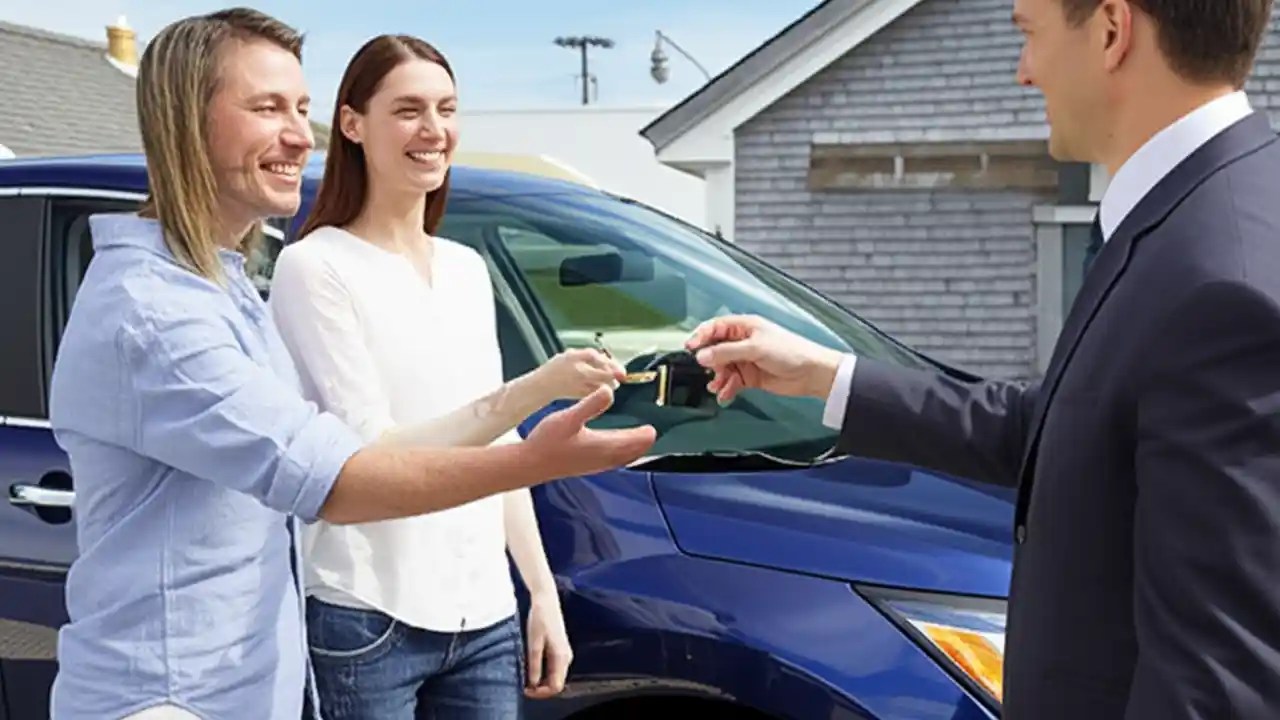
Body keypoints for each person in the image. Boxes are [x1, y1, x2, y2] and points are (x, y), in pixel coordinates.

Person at [45, 9, 654, 720]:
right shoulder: (158, 316)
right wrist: (535, 456)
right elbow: (340, 478)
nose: (301, 135)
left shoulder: (226, 287)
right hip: (174, 701)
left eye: (301, 109)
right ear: (186, 121)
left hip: (255, 688)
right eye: (267, 107)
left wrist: (535, 579)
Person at [685, 0, 1280, 718]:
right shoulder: (1204, 215)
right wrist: (825, 378)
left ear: (1113, 31)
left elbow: (1212, 685)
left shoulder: (1216, 276)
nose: (1024, 73)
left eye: (1028, 33)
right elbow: (1053, 426)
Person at [266, 34, 623, 719]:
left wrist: (539, 593)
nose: (433, 130)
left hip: (484, 618)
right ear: (351, 124)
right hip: (368, 616)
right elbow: (371, 457)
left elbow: (501, 450)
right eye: (407, 110)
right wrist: (531, 388)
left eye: (446, 108)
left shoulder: (465, 269)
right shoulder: (316, 268)